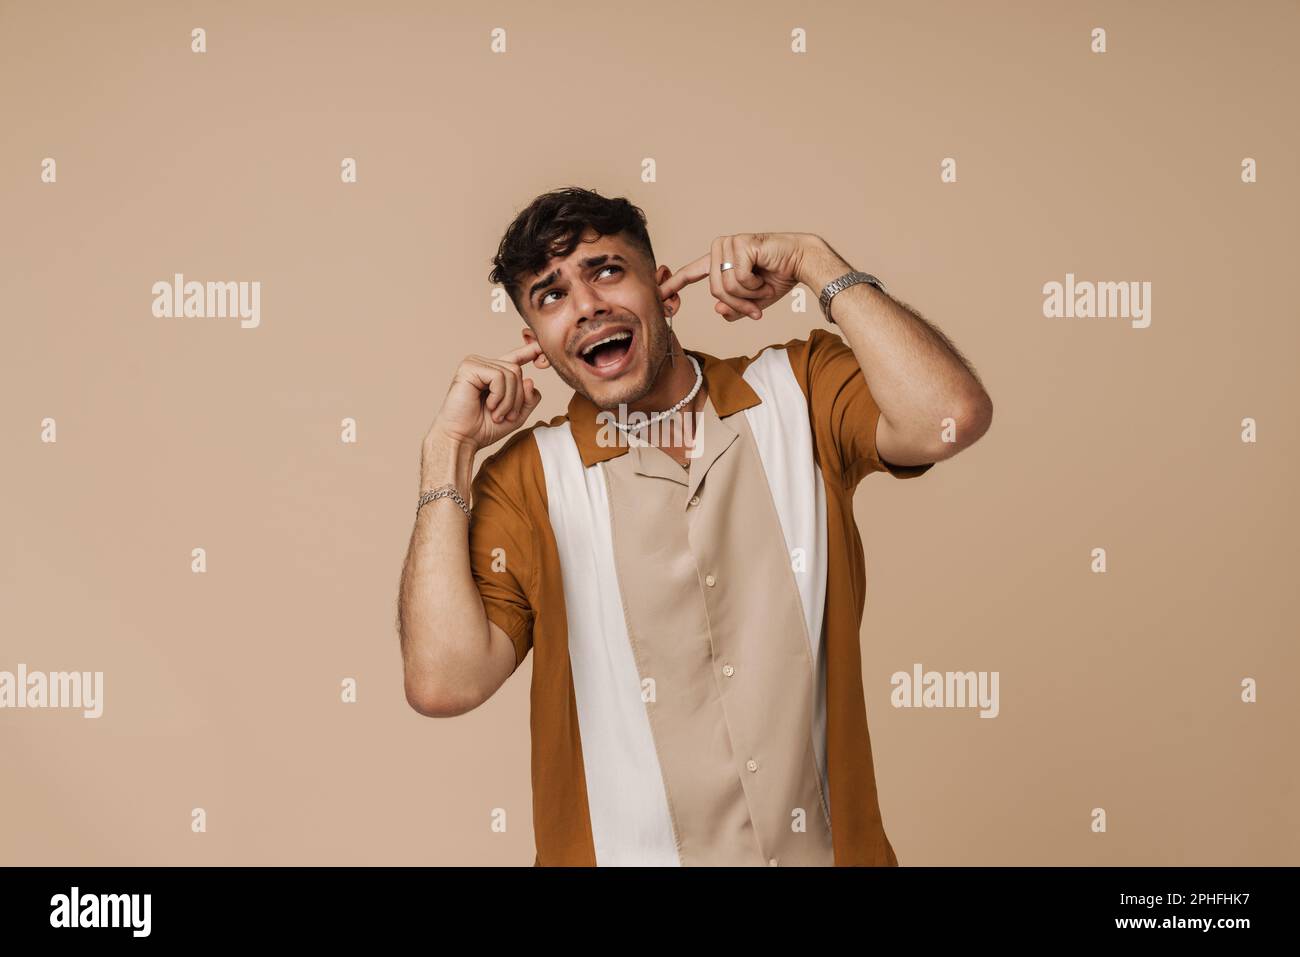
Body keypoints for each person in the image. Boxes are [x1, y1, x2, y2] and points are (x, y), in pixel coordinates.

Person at [397, 187, 993, 866]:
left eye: (605, 270)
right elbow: (445, 681)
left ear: (664, 290)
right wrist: (447, 449)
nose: (587, 306)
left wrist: (815, 262)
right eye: (551, 295)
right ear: (536, 346)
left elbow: (951, 416)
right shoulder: (528, 481)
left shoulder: (799, 389)